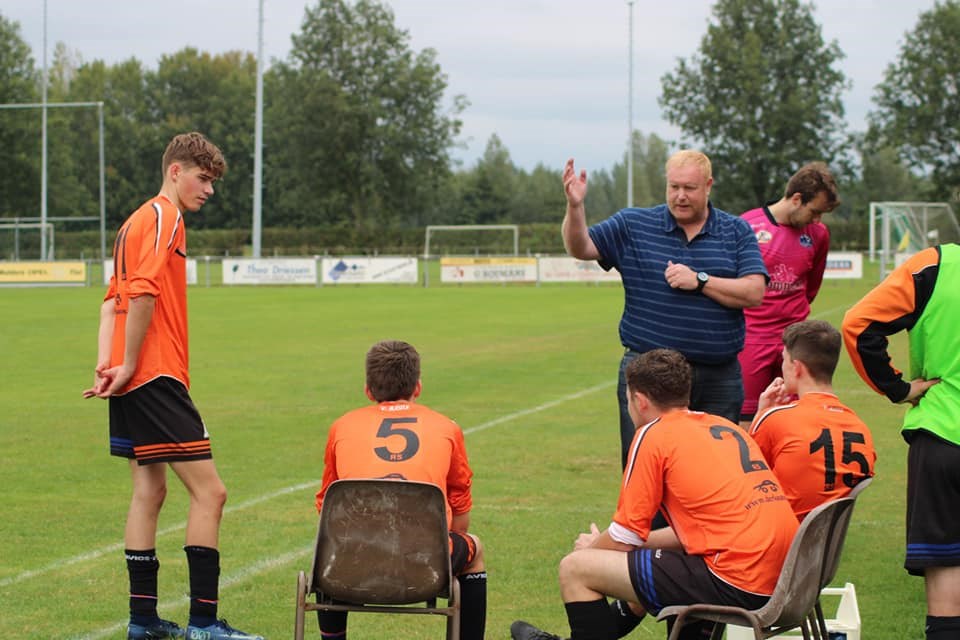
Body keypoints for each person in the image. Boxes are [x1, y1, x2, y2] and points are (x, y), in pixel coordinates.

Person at [83, 132, 264, 640]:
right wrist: (134, 363)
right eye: (204, 179)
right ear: (175, 172)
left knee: (149, 490)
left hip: (128, 375)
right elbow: (138, 294)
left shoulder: (131, 222)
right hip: (156, 374)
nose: (209, 190)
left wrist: (109, 364)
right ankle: (204, 625)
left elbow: (108, 301)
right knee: (211, 493)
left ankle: (143, 622)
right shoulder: (165, 216)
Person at [510, 349, 799, 640]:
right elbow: (693, 535)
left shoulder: (653, 434)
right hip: (785, 579)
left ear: (639, 400)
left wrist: (591, 549)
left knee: (575, 569)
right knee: (647, 569)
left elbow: (625, 537)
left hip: (737, 582)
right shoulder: (723, 426)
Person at [562, 150, 768, 470]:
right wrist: (576, 207)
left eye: (689, 188)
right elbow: (581, 247)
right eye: (674, 187)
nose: (680, 196)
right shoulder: (634, 224)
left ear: (709, 186)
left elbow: (755, 291)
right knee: (648, 469)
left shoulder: (736, 231)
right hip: (650, 375)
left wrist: (700, 281)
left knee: (718, 472)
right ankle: (647, 524)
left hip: (718, 376)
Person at [314, 340, 487, 640]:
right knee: (474, 547)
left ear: (368, 390)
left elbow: (328, 508)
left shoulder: (341, 426)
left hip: (349, 566)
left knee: (335, 543)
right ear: (417, 387)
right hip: (427, 564)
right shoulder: (446, 428)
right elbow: (460, 518)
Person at [842, 244, 960, 640]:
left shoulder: (935, 264)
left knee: (946, 572)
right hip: (943, 435)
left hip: (944, 432)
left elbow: (858, 325)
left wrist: (898, 388)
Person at [738, 163, 839, 427]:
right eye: (814, 211)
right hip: (751, 339)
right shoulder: (745, 226)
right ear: (796, 199)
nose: (817, 220)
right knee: (749, 420)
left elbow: (811, 287)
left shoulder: (818, 235)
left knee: (799, 418)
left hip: (795, 342)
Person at [749, 320, 875, 520]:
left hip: (778, 537)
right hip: (825, 542)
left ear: (797, 368)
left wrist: (760, 415)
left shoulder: (776, 420)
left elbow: (744, 477)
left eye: (784, 359)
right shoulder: (861, 428)